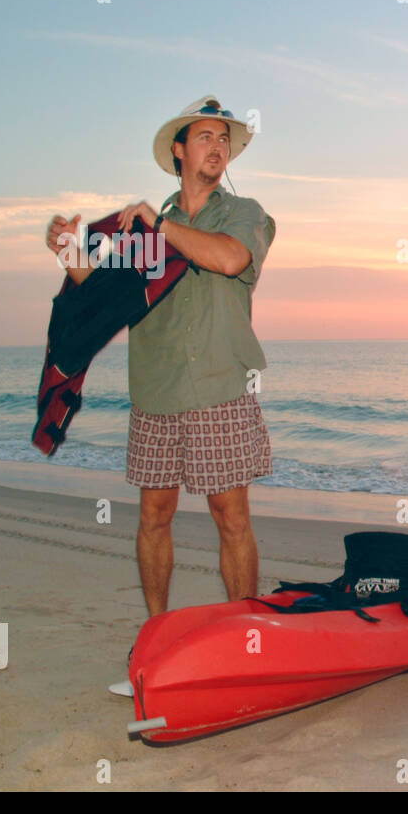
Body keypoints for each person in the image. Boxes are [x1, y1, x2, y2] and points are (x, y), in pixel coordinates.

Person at [44, 95, 276, 696]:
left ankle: (248, 644)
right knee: (154, 516)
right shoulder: (141, 231)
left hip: (221, 386)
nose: (217, 147)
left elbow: (228, 260)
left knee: (232, 517)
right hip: (156, 392)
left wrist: (162, 226)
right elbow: (95, 290)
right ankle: (159, 643)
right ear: (179, 151)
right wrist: (69, 248)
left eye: (223, 139)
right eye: (204, 137)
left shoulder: (243, 213)